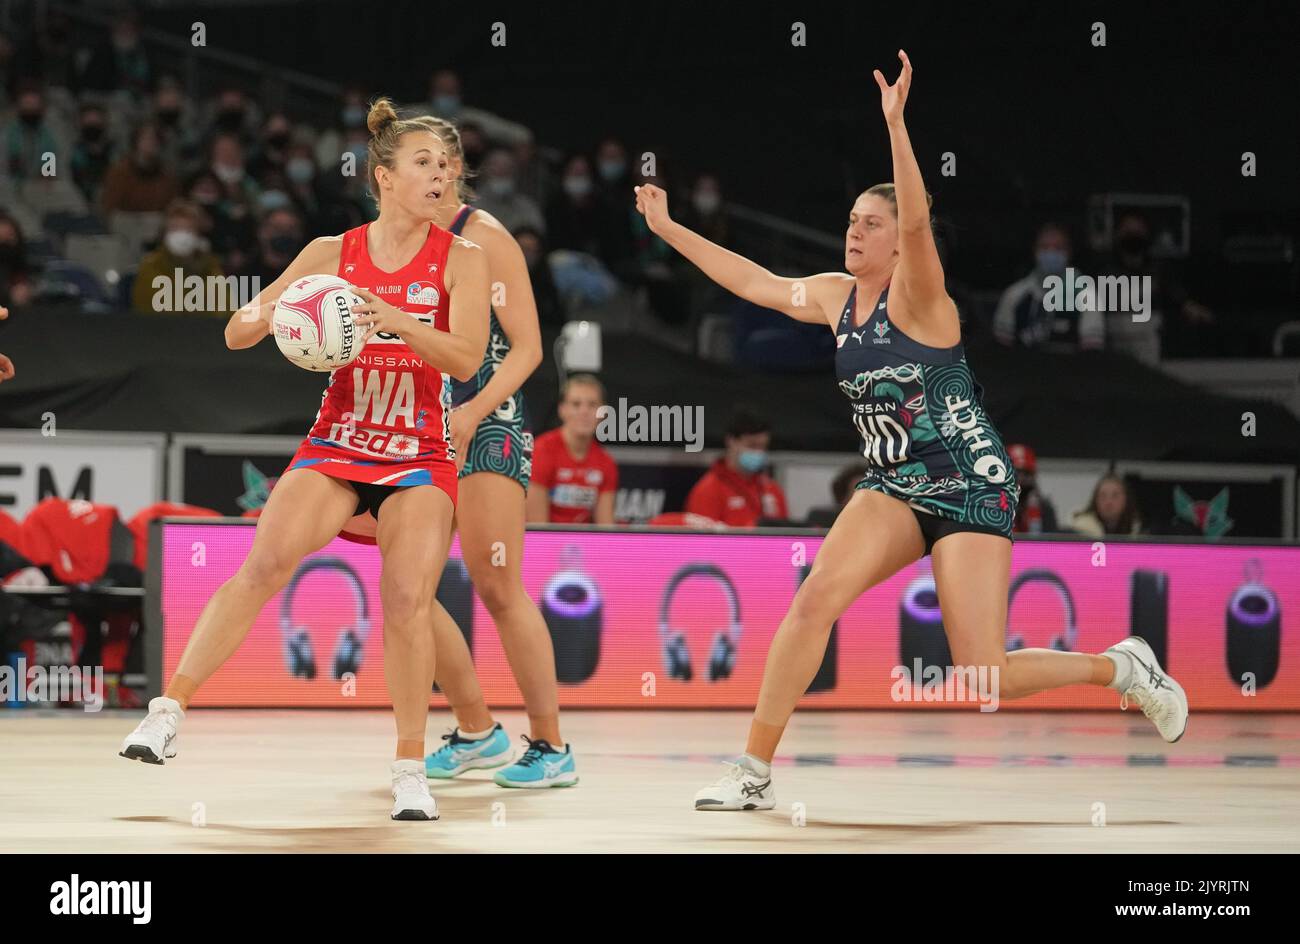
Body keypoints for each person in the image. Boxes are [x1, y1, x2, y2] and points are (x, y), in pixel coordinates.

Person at [634, 51, 1188, 812]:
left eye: (872, 224)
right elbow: (754, 281)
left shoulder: (922, 298)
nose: (855, 232)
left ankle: (1123, 670)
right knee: (813, 599)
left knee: (981, 671)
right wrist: (670, 229)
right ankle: (753, 770)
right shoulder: (834, 297)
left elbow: (921, 215)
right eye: (851, 221)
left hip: (968, 481)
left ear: (900, 243)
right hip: (896, 483)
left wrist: (896, 124)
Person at [119, 98, 491, 823]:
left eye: (447, 165)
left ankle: (410, 767)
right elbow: (235, 331)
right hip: (340, 440)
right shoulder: (330, 253)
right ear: (383, 177)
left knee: (408, 600)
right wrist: (275, 316)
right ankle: (167, 712)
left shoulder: (463, 259)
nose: (441, 175)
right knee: (263, 564)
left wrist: (395, 319)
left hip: (418, 450)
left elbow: (467, 355)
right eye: (424, 163)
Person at [411, 113, 577, 789]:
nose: (426, 175)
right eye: (412, 165)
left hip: (490, 420)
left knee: (497, 582)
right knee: (407, 582)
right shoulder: (402, 244)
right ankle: (478, 730)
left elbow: (531, 349)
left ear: (455, 171)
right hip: (427, 425)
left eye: (435, 163)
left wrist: (474, 411)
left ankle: (553, 747)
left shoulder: (485, 237)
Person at [992, 223, 1103, 353]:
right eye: (1044, 247)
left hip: (1070, 371)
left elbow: (1092, 354)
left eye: (1058, 247)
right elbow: (1001, 352)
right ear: (1035, 251)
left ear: (1069, 252)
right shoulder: (1014, 295)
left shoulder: (1086, 295)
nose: (1051, 253)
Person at [527, 373, 618, 525]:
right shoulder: (541, 451)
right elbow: (538, 528)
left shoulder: (606, 463)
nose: (584, 412)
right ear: (562, 410)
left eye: (592, 405)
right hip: (544, 545)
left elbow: (606, 530)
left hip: (584, 546)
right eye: (576, 404)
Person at [684, 407, 789, 527]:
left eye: (762, 446)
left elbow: (786, 537)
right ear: (731, 441)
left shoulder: (772, 489)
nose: (758, 452)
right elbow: (701, 542)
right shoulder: (708, 491)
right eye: (752, 445)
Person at [131, 200, 227, 316]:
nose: (181, 235)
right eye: (175, 228)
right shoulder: (151, 265)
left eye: (188, 229)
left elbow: (223, 311)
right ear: (165, 234)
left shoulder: (211, 267)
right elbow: (146, 309)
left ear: (198, 234)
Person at [1007, 444, 1060, 534]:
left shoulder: (1044, 508)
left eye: (1026, 473)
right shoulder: (993, 506)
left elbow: (1052, 543)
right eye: (1016, 473)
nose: (1021, 479)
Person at [1071, 472, 1143, 537]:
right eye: (1103, 496)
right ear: (1095, 500)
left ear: (1126, 500)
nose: (1108, 502)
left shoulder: (1138, 532)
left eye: (1115, 496)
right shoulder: (1080, 530)